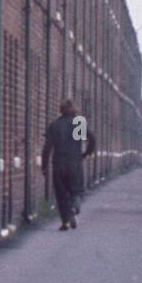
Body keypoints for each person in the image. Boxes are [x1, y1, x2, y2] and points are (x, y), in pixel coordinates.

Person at [42, 98, 96, 230]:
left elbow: (47, 147)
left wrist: (44, 165)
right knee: (76, 190)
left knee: (61, 193)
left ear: (61, 110)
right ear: (74, 109)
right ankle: (74, 207)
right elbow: (92, 139)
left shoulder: (54, 125)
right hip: (74, 163)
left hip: (58, 164)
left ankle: (65, 221)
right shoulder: (78, 124)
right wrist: (86, 153)